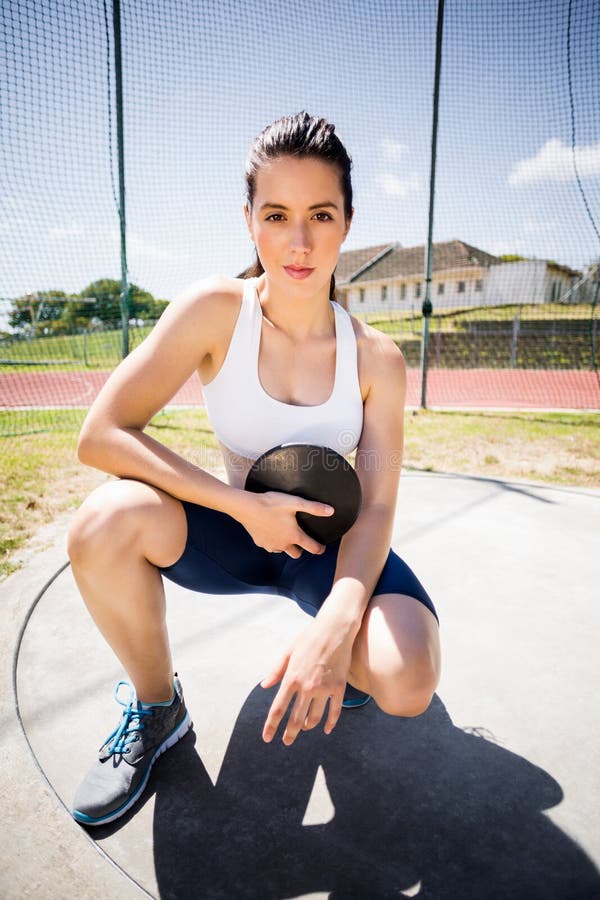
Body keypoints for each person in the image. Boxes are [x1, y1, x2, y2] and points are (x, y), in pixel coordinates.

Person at [68, 111, 441, 827]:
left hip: (329, 554)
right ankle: (157, 709)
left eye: (320, 215)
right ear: (249, 221)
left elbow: (382, 509)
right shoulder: (214, 311)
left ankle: (345, 656)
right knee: (103, 522)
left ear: (348, 221)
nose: (299, 242)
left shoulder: (379, 360)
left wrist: (338, 621)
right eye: (277, 215)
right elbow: (102, 434)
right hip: (235, 535)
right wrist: (240, 506)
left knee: (409, 678)